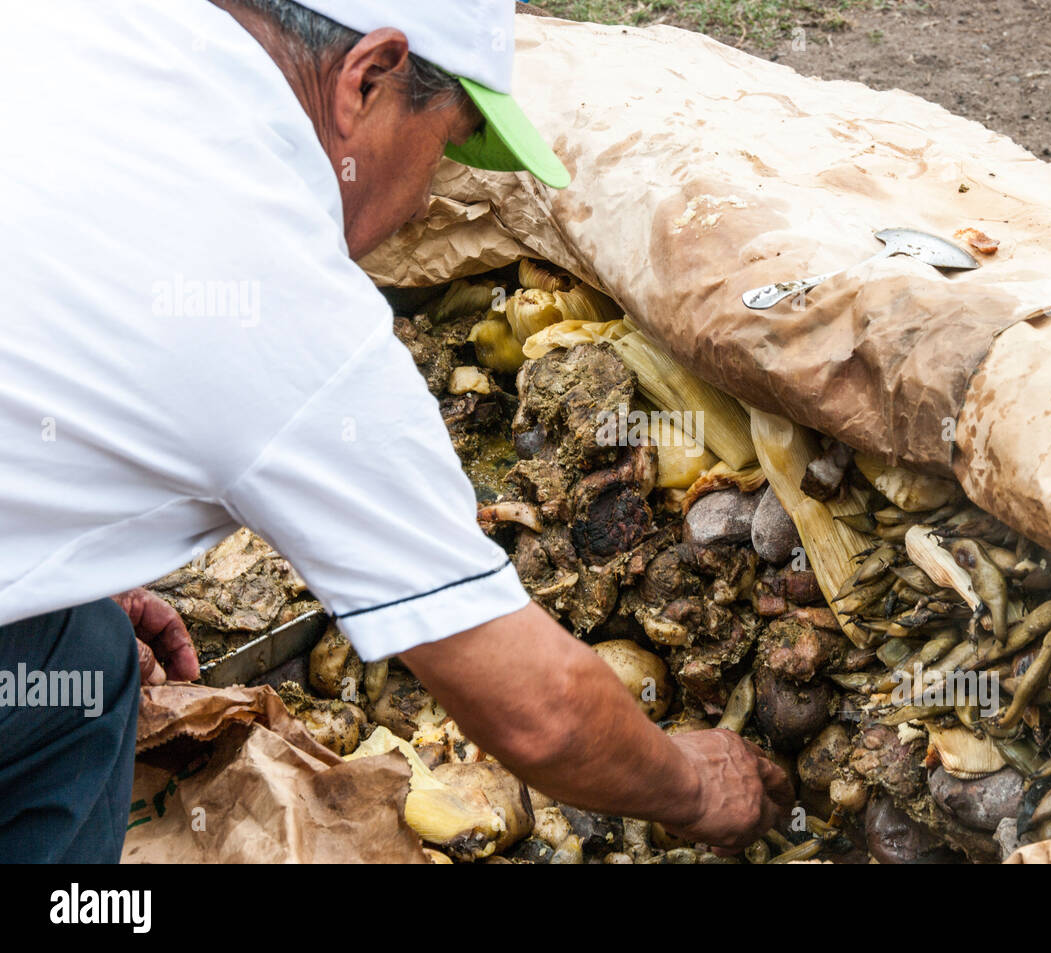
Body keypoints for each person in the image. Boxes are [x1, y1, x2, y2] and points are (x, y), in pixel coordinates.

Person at [0, 0, 793, 862]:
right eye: (445, 147)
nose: (424, 201)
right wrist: (699, 785)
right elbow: (537, 710)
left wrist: (56, 560)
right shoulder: (275, 292)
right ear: (368, 80)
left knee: (81, 657)